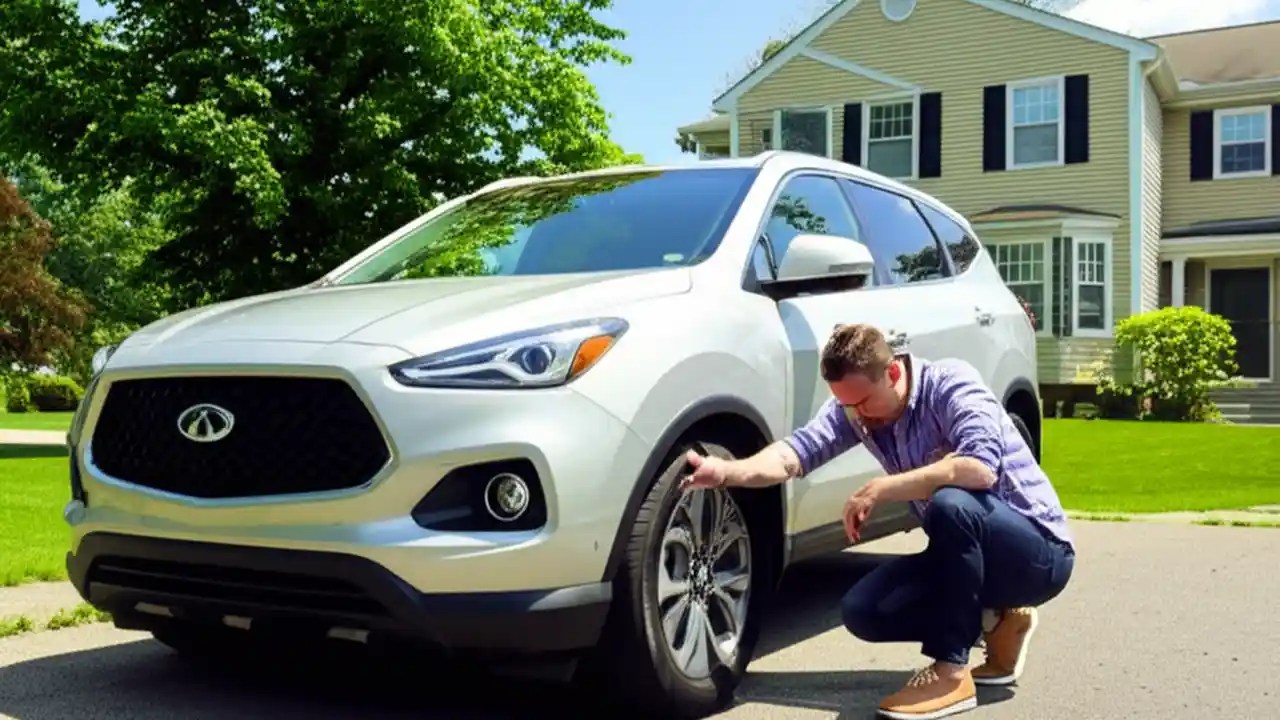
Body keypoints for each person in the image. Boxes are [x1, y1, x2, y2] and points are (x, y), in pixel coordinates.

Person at [680, 323, 1075, 719]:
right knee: (865, 610)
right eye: (848, 406)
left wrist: (883, 488)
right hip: (976, 558)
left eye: (864, 403)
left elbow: (979, 469)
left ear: (892, 373)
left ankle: (951, 673)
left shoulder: (952, 384)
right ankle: (998, 618)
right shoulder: (855, 410)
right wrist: (727, 472)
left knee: (951, 503)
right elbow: (795, 453)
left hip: (1040, 553)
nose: (858, 416)